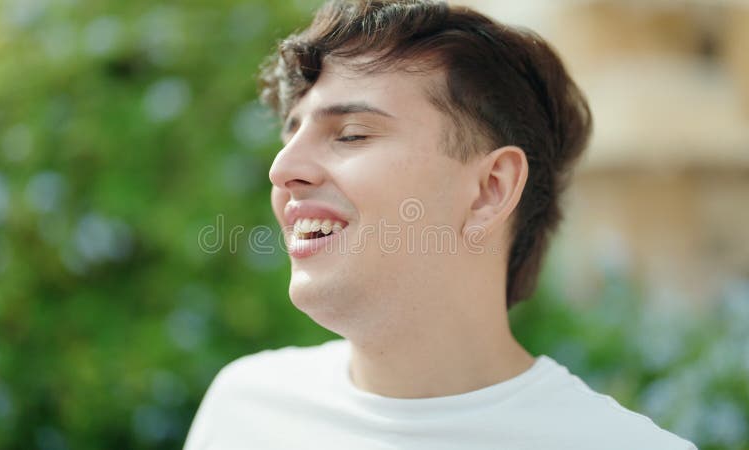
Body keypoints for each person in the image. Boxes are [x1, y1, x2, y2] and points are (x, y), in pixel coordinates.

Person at [184, 1, 697, 448]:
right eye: (289, 135)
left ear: (490, 189)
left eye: (352, 134)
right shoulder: (244, 410)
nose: (281, 170)